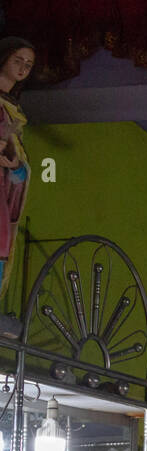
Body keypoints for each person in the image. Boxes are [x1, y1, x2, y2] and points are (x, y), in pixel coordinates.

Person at [0, 37, 34, 300]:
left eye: (28, 64)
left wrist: (16, 167)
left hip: (3, 184)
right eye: (17, 60)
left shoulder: (14, 111)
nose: (23, 68)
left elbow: (18, 157)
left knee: (2, 241)